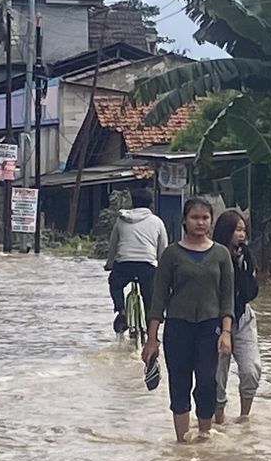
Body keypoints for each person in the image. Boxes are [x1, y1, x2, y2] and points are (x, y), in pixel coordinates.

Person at [141, 197, 235, 443]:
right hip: (178, 327)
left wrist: (226, 333)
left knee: (207, 383)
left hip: (210, 327)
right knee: (179, 383)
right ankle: (182, 444)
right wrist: (151, 339)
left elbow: (227, 298)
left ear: (211, 221)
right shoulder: (171, 254)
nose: (200, 222)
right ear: (184, 220)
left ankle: (204, 436)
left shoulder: (221, 254)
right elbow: (158, 299)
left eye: (205, 218)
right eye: (195, 217)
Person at [212, 209, 262, 424]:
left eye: (243, 230)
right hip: (216, 319)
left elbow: (251, 291)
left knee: (251, 370)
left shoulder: (246, 256)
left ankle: (244, 419)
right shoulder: (213, 255)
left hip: (243, 318)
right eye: (237, 230)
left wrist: (243, 268)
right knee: (217, 375)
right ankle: (218, 420)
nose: (241, 235)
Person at [105, 189, 168, 334]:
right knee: (150, 298)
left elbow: (113, 245)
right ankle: (151, 330)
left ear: (132, 202)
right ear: (151, 205)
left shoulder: (121, 220)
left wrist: (109, 264)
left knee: (115, 284)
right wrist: (162, 269)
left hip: (124, 265)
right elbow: (163, 250)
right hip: (147, 266)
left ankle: (121, 310)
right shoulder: (157, 222)